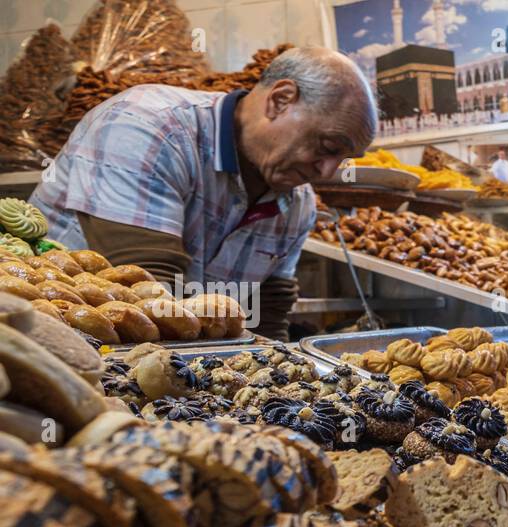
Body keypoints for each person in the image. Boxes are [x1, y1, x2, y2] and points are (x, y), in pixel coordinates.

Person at [30, 47, 377, 340]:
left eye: (342, 159)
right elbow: (144, 291)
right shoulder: (148, 126)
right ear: (281, 100)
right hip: (51, 347)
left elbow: (268, 309)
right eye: (328, 146)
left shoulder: (297, 204)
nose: (327, 172)